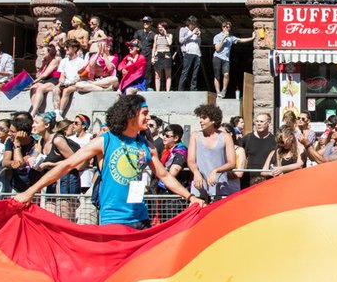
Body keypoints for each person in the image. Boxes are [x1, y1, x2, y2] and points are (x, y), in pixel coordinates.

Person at [15, 94, 203, 227]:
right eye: (144, 113)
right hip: (114, 219)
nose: (148, 117)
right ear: (130, 115)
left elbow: (164, 175)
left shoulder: (146, 145)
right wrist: (30, 192)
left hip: (140, 218)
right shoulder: (105, 141)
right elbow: (67, 165)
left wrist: (191, 197)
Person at [187, 104, 238, 199]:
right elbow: (190, 160)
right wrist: (196, 172)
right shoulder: (195, 135)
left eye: (204, 118)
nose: (200, 121)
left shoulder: (226, 137)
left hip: (220, 185)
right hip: (199, 184)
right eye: (200, 118)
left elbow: (232, 163)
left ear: (213, 120)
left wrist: (216, 170)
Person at [212, 21, 253, 99]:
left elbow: (240, 40)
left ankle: (224, 90)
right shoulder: (217, 36)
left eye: (227, 27)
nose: (226, 28)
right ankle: (218, 92)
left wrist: (252, 38)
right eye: (224, 27)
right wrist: (224, 38)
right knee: (217, 76)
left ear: (230, 28)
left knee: (226, 74)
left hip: (226, 59)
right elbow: (217, 49)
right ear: (222, 27)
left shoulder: (231, 37)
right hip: (217, 57)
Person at [238, 112, 276, 188]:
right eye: (257, 121)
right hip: (249, 180)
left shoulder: (274, 140)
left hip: (267, 180)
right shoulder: (247, 139)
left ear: (269, 123)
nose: (258, 124)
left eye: (261, 122)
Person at [53, 39, 87, 116]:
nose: (65, 49)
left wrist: (69, 83)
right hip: (66, 82)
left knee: (66, 91)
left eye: (67, 47)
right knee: (55, 89)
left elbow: (81, 76)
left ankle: (60, 113)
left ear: (74, 49)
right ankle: (56, 112)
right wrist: (61, 82)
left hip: (76, 83)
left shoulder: (81, 62)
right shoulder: (64, 61)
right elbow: (62, 74)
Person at [27, 43, 61, 116]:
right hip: (45, 81)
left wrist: (34, 81)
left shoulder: (54, 60)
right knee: (34, 87)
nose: (41, 53)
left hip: (53, 80)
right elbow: (39, 74)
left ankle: (33, 112)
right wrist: (43, 64)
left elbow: (45, 74)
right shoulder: (45, 61)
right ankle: (35, 108)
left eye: (43, 51)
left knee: (40, 88)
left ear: (49, 52)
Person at [69, 113, 95, 193]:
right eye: (73, 122)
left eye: (76, 123)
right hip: (72, 173)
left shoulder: (90, 138)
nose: (73, 125)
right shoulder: (70, 139)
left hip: (85, 174)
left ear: (83, 126)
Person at [178, 16, 203, 91]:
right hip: (188, 52)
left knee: (195, 73)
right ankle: (180, 89)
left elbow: (199, 43)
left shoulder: (196, 31)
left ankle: (193, 88)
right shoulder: (183, 29)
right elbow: (181, 40)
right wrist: (192, 33)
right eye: (192, 24)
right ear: (188, 23)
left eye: (194, 24)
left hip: (197, 53)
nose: (193, 26)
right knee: (185, 71)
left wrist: (198, 36)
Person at [133, 16, 157, 90]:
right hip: (139, 55)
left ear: (151, 23)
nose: (145, 23)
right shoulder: (138, 32)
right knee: (137, 70)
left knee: (147, 71)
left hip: (149, 55)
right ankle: (137, 86)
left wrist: (153, 57)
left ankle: (147, 87)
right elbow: (134, 43)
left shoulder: (153, 34)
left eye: (147, 22)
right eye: (144, 22)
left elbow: (155, 46)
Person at [151, 21, 174, 92]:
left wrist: (165, 34)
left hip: (166, 54)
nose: (160, 29)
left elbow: (170, 43)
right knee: (157, 75)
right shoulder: (156, 36)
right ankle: (157, 91)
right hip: (158, 54)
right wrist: (152, 57)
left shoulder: (170, 35)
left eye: (161, 27)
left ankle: (167, 91)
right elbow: (154, 47)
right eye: (158, 27)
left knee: (168, 75)